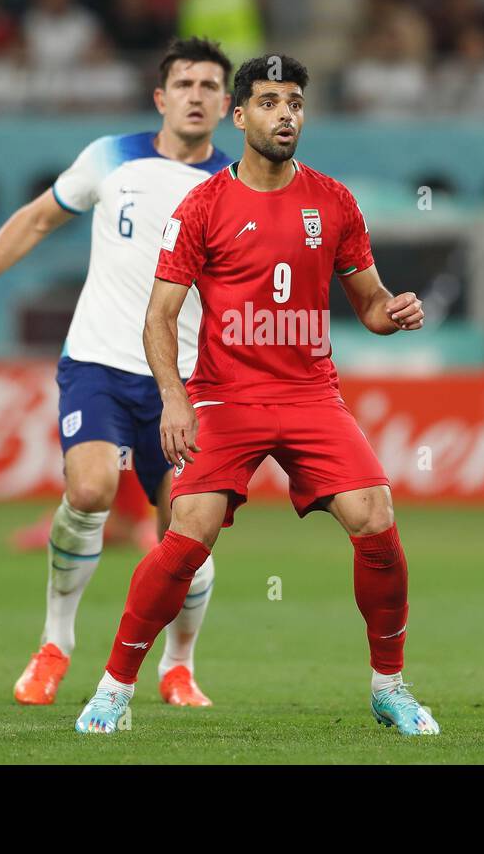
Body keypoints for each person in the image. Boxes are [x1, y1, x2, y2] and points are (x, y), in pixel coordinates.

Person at [73, 54, 439, 737]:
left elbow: (370, 303)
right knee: (190, 534)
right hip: (223, 399)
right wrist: (175, 400)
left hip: (310, 397)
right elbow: (158, 317)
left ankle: (389, 687)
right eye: (270, 102)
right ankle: (113, 689)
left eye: (295, 102)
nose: (286, 114)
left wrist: (397, 312)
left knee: (376, 519)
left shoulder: (333, 201)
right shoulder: (203, 206)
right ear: (239, 117)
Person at [0, 38, 233, 708]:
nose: (197, 95)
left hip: (183, 384)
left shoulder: (236, 189)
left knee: (187, 528)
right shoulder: (109, 157)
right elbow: (38, 219)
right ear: (162, 97)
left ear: (227, 106)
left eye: (211, 86)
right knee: (91, 490)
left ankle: (178, 666)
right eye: (185, 83)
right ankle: (55, 644)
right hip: (97, 362)